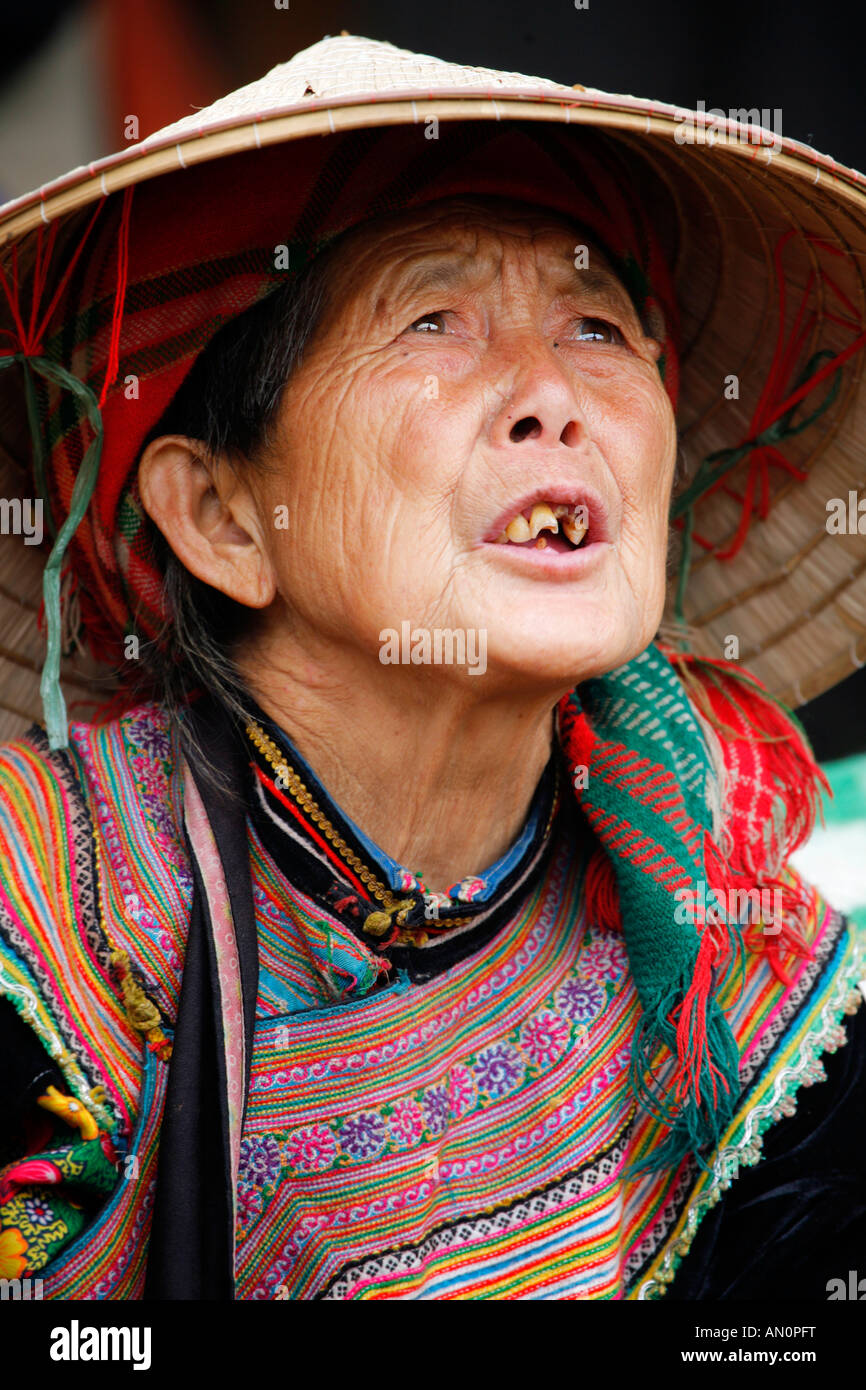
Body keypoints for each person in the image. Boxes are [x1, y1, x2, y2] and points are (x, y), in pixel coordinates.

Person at [0, 33, 863, 1301]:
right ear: (227, 520)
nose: (551, 398)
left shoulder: (726, 923)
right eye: (433, 319)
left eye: (595, 325)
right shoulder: (47, 925)